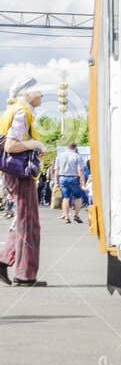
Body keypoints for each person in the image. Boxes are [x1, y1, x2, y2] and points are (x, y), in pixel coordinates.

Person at [1, 75, 49, 287]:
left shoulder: (13, 110)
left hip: (13, 173)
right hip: (20, 174)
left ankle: (5, 259)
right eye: (39, 91)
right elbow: (11, 146)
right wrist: (36, 144)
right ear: (26, 93)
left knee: (23, 220)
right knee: (29, 223)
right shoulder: (22, 112)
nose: (42, 95)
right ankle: (24, 275)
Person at [54, 140, 87, 225]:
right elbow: (80, 170)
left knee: (66, 198)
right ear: (75, 148)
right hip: (74, 178)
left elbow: (56, 170)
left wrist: (56, 182)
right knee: (78, 197)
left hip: (62, 178)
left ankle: (66, 216)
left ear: (67, 147)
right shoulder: (77, 156)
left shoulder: (60, 156)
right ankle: (76, 215)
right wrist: (82, 181)